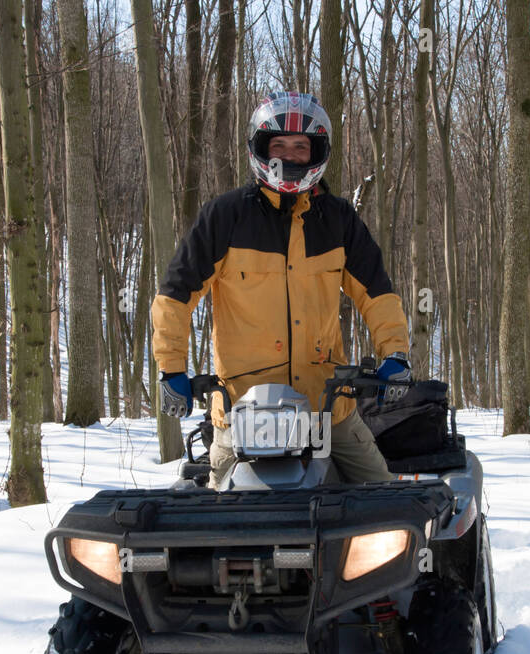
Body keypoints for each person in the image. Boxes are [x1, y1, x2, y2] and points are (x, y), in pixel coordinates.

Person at [151, 91, 413, 489]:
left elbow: (377, 295)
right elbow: (175, 295)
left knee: (388, 507)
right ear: (261, 148)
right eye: (279, 145)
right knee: (215, 519)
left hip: (328, 411)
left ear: (316, 153)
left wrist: (394, 354)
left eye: (300, 146)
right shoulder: (225, 217)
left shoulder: (338, 220)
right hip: (241, 413)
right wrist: (171, 367)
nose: (289, 156)